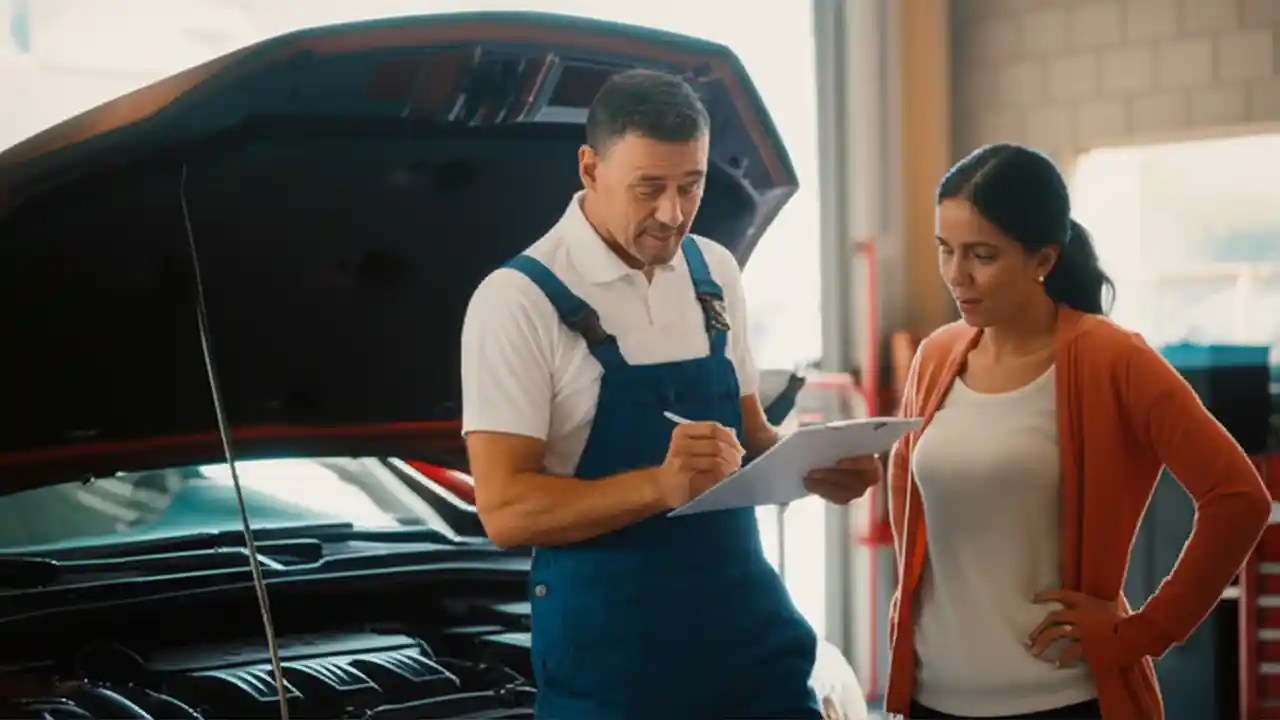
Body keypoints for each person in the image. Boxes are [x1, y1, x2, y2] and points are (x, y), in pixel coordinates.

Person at [459, 69, 880, 720]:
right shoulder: (518, 302)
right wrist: (660, 486)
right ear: (591, 169)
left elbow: (750, 440)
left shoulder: (715, 271)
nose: (673, 213)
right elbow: (506, 509)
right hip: (617, 668)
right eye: (648, 188)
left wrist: (815, 466)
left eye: (692, 185)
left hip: (752, 647)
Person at [883, 143, 1272, 719]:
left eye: (982, 255)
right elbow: (909, 489)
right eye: (946, 250)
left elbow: (1239, 500)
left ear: (1043, 258)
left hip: (1063, 700)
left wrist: (1147, 630)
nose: (956, 276)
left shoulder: (1113, 359)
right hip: (931, 696)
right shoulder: (937, 356)